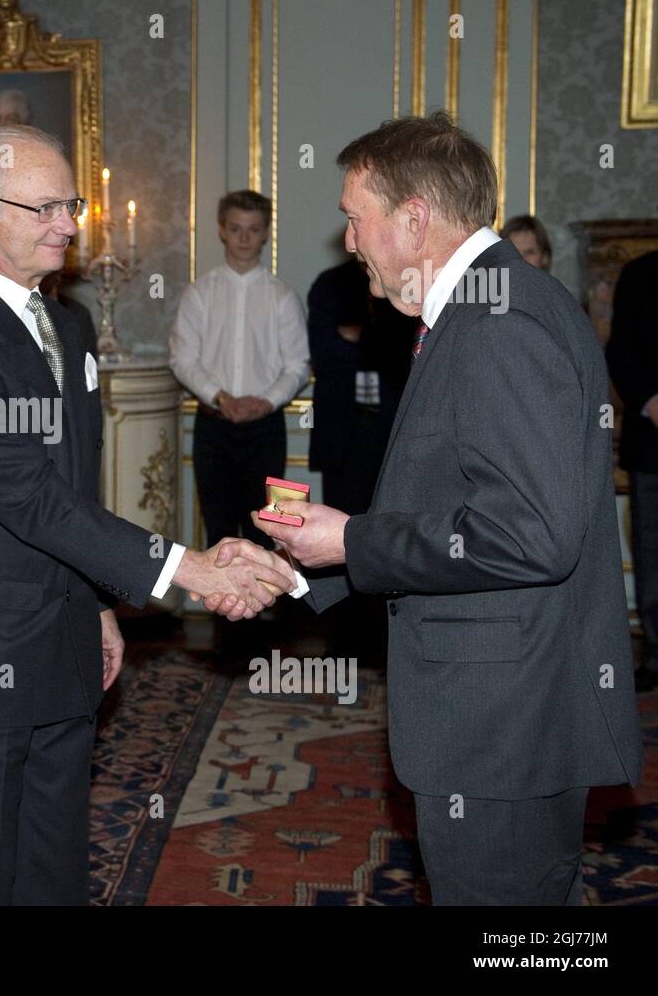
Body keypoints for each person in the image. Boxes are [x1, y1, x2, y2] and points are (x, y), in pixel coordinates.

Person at [0, 124, 296, 905]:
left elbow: (72, 488)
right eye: (43, 208)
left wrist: (98, 603)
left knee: (53, 872)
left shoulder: (67, 324)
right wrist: (190, 569)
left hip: (63, 644)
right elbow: (31, 500)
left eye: (70, 204)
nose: (70, 226)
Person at [253, 112, 642, 905]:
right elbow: (448, 504)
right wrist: (304, 573)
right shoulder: (486, 307)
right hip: (506, 710)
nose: (350, 242)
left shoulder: (497, 322)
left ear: (414, 218)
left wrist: (355, 540)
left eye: (353, 219)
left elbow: (531, 536)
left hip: (501, 724)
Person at [170, 190, 309, 548]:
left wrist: (264, 402)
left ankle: (266, 605)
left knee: (269, 530)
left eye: (253, 229)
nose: (244, 238)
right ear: (222, 231)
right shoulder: (199, 294)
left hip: (266, 431)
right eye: (236, 229)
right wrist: (221, 398)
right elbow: (183, 359)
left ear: (265, 233)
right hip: (213, 427)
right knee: (219, 532)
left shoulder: (282, 296)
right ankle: (225, 606)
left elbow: (297, 365)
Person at [307, 251, 413, 516]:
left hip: (393, 428)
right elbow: (323, 352)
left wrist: (357, 337)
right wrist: (376, 341)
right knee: (337, 524)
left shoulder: (402, 280)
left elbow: (403, 351)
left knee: (390, 526)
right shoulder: (329, 284)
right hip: (341, 430)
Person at [605, 245, 658, 693]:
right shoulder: (640, 275)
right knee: (652, 551)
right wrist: (650, 402)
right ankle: (657, 655)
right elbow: (620, 349)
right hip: (653, 442)